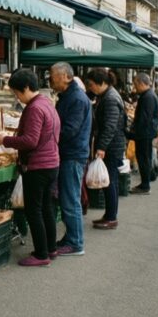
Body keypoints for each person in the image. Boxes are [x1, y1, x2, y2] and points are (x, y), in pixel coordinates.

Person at [0, 69, 60, 266]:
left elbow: (30, 141)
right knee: (47, 207)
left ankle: (41, 254)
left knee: (34, 210)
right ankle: (50, 248)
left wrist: (4, 139)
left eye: (17, 92)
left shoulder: (34, 108)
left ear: (27, 88)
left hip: (38, 166)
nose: (17, 97)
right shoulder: (47, 103)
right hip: (51, 162)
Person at [49, 62, 91, 256]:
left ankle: (75, 243)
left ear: (66, 76)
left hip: (73, 155)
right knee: (68, 198)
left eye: (53, 75)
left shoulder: (76, 99)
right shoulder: (68, 96)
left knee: (70, 199)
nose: (51, 79)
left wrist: (48, 136)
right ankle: (71, 237)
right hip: (69, 153)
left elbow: (70, 130)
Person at [83, 69, 126, 230]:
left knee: (110, 181)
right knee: (109, 181)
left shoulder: (110, 98)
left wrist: (102, 147)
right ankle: (109, 215)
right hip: (111, 145)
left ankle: (111, 217)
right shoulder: (106, 96)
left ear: (101, 83)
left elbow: (110, 126)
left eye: (92, 85)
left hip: (111, 147)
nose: (91, 88)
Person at [129, 73, 158, 195]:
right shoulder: (148, 95)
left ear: (142, 83)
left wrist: (135, 132)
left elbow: (145, 118)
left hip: (145, 133)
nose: (135, 87)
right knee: (143, 158)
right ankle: (144, 183)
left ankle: (145, 185)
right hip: (145, 132)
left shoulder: (148, 97)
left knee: (143, 158)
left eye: (136, 84)